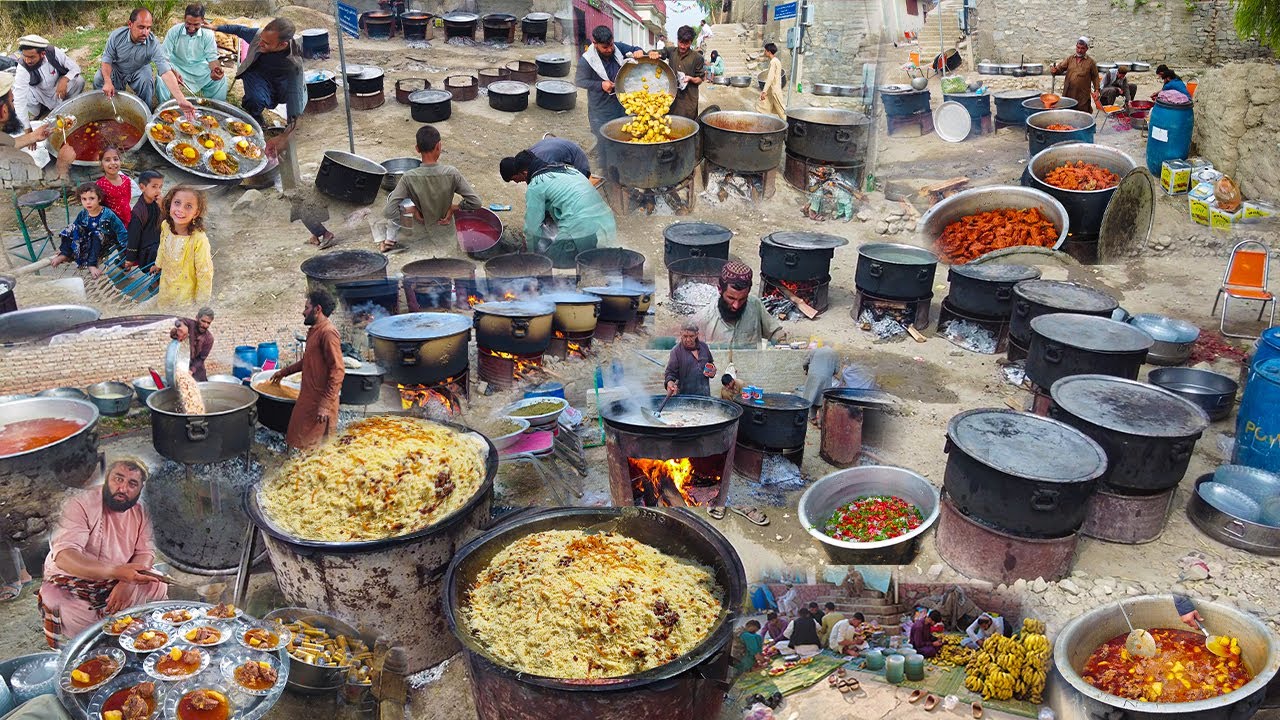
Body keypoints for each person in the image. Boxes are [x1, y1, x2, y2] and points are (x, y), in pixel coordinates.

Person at [36, 459, 168, 648]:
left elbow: (145, 552)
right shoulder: (78, 503)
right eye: (118, 479)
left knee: (157, 585)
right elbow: (65, 556)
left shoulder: (142, 510)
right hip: (75, 578)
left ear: (140, 489)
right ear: (107, 479)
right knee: (67, 606)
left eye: (132, 484)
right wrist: (117, 572)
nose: (123, 488)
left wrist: (127, 582)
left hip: (121, 575)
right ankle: (99, 648)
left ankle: (148, 635)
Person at [380, 125, 482, 253]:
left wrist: (413, 211)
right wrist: (452, 208)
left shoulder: (408, 178)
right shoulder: (451, 173)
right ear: (439, 146)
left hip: (420, 239)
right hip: (445, 238)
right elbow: (476, 203)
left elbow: (389, 211)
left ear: (417, 149)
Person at [215, 18, 305, 159]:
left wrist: (287, 135)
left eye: (266, 43)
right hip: (256, 75)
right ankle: (254, 113)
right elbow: (239, 30)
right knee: (255, 99)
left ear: (283, 44)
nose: (260, 43)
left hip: (280, 82)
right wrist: (215, 27)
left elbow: (296, 98)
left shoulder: (294, 62)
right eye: (261, 39)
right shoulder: (259, 36)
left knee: (291, 99)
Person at [271, 290, 344, 450]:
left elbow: (338, 371)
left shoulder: (328, 333)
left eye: (306, 307)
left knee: (316, 449)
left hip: (320, 402)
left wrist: (325, 405)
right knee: (297, 439)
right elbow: (307, 362)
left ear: (317, 309)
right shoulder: (315, 330)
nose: (303, 312)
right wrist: (283, 372)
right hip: (308, 398)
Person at [516, 150, 618, 260]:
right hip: (607, 225)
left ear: (525, 173)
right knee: (590, 255)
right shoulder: (570, 170)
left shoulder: (536, 184)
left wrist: (531, 253)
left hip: (582, 228)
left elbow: (532, 227)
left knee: (551, 260)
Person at [95, 9, 197, 116]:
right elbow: (107, 60)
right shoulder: (116, 36)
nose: (145, 32)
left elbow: (165, 70)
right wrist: (107, 81)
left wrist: (181, 100)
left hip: (139, 68)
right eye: (141, 27)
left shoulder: (153, 43)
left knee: (147, 79)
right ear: (130, 24)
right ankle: (105, 110)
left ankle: (145, 114)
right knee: (99, 77)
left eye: (148, 28)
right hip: (118, 68)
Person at [0, 73, 77, 187]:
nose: (15, 106)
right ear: (3, 111)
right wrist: (62, 166)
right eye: (12, 101)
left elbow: (3, 142)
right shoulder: (16, 160)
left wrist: (32, 136)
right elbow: (41, 193)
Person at [574, 26, 642, 154]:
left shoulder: (617, 48)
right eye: (605, 47)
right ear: (595, 44)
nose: (610, 49)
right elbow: (579, 81)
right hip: (600, 108)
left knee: (623, 134)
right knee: (604, 137)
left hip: (619, 104)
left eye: (610, 45)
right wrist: (600, 85)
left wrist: (638, 50)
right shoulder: (587, 60)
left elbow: (634, 49)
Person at [695, 261, 787, 348]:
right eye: (731, 298)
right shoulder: (704, 319)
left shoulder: (755, 304)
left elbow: (775, 332)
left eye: (742, 299)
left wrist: (782, 344)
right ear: (720, 290)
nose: (736, 305)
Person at [49, 183, 127, 279]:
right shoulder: (83, 213)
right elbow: (75, 230)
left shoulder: (107, 214)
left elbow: (120, 230)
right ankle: (65, 254)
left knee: (96, 233)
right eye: (84, 199)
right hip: (86, 241)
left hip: (103, 242)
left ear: (99, 199)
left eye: (92, 198)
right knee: (72, 227)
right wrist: (66, 246)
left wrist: (126, 246)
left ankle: (91, 264)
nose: (88, 202)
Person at [154, 185, 214, 308]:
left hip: (184, 295)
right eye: (177, 203)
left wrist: (201, 304)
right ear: (170, 203)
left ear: (196, 213)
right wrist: (158, 264)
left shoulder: (199, 240)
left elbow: (205, 273)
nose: (180, 209)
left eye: (188, 206)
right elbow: (162, 246)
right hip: (166, 285)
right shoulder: (166, 225)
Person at [158, 4, 228, 103]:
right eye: (188, 23)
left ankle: (217, 109)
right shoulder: (174, 31)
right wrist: (172, 71)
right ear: (184, 19)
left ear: (203, 21)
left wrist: (215, 69)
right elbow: (163, 58)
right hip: (176, 66)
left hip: (199, 68)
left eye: (196, 25)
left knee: (221, 81)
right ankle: (163, 108)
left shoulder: (208, 34)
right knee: (162, 76)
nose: (191, 28)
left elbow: (212, 58)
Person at [13, 34, 84, 130]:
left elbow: (75, 68)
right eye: (25, 56)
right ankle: (42, 111)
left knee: (79, 81)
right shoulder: (23, 67)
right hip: (39, 93)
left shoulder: (52, 52)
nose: (27, 60)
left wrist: (64, 79)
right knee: (25, 96)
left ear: (42, 54)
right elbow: (19, 99)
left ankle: (68, 106)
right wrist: (27, 127)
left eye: (32, 57)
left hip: (57, 88)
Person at [647, 26, 705, 120]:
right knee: (671, 122)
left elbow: (700, 79)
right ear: (677, 39)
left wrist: (690, 79)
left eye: (686, 43)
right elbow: (657, 52)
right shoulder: (671, 52)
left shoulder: (697, 58)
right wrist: (652, 52)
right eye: (681, 42)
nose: (682, 46)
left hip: (688, 100)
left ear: (691, 42)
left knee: (687, 125)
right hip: (673, 97)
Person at [124, 170, 164, 270]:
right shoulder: (138, 212)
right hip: (147, 249)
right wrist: (130, 258)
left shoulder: (158, 203)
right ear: (142, 187)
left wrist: (163, 206)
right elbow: (134, 236)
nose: (158, 191)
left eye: (160, 187)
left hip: (159, 241)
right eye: (154, 186)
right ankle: (155, 283)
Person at [501, 136, 592, 180]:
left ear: (520, 172)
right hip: (567, 158)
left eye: (514, 179)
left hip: (580, 167)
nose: (517, 182)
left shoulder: (543, 163)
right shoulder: (529, 157)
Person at [1049, 37, 1100, 114]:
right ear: (1076, 46)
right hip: (1068, 92)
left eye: (1082, 48)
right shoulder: (1070, 59)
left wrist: (1097, 90)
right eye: (1078, 47)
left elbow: (1095, 77)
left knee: (1082, 115)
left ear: (1086, 49)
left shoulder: (1091, 62)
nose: (1079, 50)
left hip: (1082, 95)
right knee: (1068, 112)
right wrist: (1055, 70)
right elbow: (1060, 68)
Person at [170, 307, 215, 381]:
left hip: (197, 369)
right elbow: (177, 321)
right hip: (180, 364)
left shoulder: (209, 339)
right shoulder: (190, 324)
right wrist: (182, 326)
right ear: (197, 318)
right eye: (203, 321)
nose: (205, 325)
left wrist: (191, 370)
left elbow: (201, 359)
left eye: (208, 323)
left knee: (199, 389)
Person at [95, 145, 135, 227]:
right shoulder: (100, 185)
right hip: (112, 224)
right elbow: (99, 207)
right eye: (107, 160)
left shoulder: (126, 180)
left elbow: (127, 200)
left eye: (116, 159)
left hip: (128, 219)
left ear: (120, 161)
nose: (113, 163)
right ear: (101, 164)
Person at [800, 346, 839, 426]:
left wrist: (806, 370)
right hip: (825, 378)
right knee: (822, 399)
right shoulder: (834, 354)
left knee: (811, 396)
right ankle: (820, 422)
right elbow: (836, 370)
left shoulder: (814, 351)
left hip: (813, 376)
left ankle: (812, 418)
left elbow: (805, 363)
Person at [758, 43, 786, 119]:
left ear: (769, 52)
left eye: (765, 51)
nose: (764, 52)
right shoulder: (776, 61)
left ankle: (788, 125)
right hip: (772, 89)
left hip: (775, 90)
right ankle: (761, 121)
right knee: (762, 106)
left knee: (781, 110)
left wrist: (764, 91)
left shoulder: (773, 62)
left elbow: (770, 78)